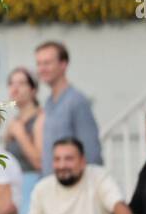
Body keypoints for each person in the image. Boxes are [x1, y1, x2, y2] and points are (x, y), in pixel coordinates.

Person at [28, 138, 129, 214]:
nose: (62, 165)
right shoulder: (42, 187)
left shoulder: (99, 177)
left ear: (82, 161)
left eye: (69, 159)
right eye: (57, 159)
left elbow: (118, 205)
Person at [36, 41, 102, 176]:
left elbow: (91, 152)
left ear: (63, 64)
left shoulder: (77, 101)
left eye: (47, 63)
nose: (42, 69)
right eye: (39, 64)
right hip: (53, 187)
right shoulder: (48, 103)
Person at [2, 67, 43, 214]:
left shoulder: (41, 118)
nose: (15, 88)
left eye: (21, 83)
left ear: (33, 89)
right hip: (14, 191)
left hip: (32, 187)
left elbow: (39, 161)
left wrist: (20, 134)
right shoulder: (14, 122)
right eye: (11, 83)